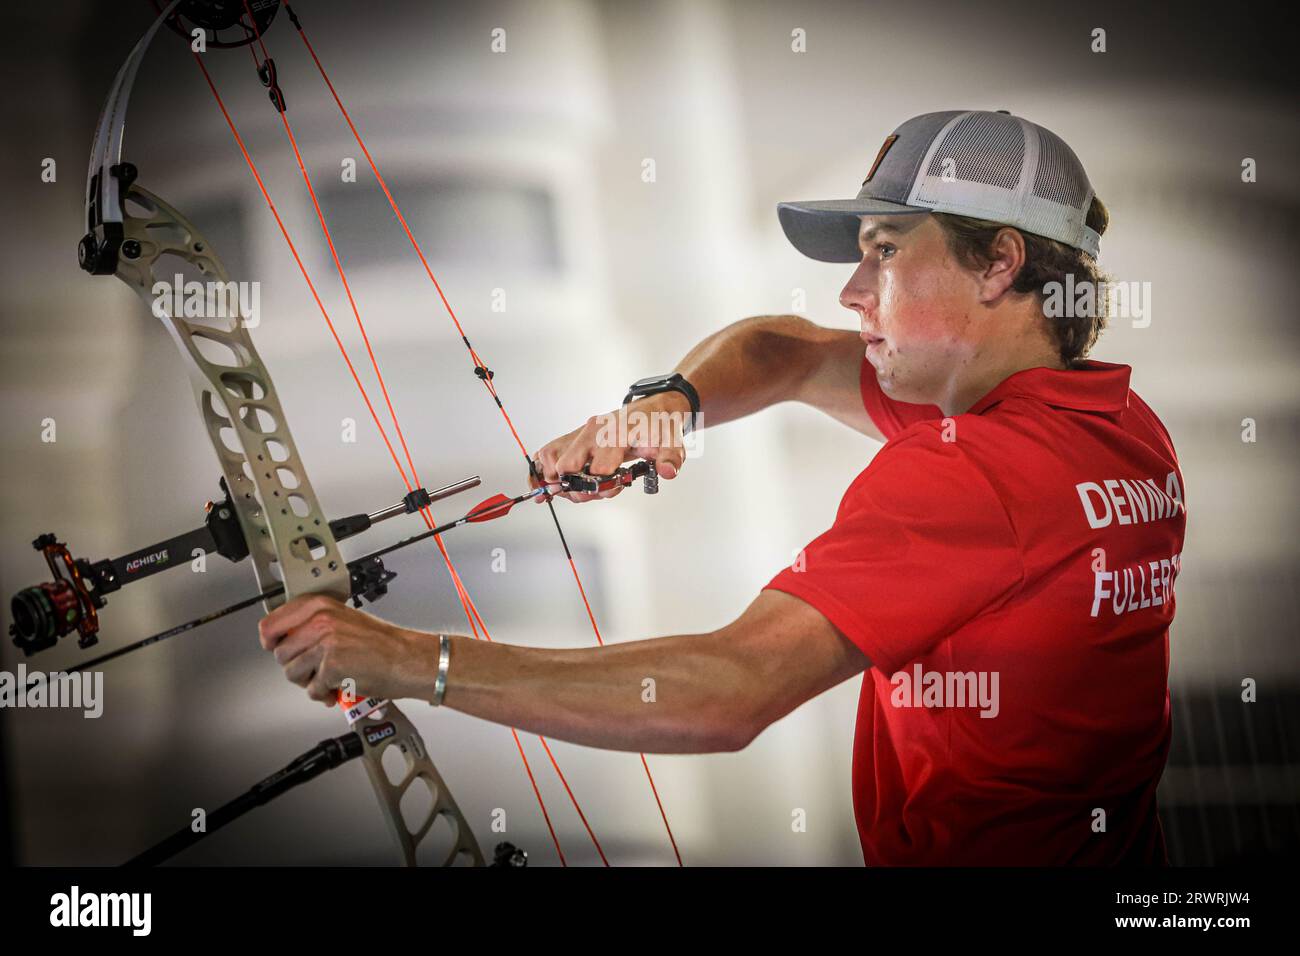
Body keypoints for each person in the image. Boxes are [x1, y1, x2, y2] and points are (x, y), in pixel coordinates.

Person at [260, 110, 1184, 865]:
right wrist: (667, 405)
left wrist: (414, 661)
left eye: (888, 250)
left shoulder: (976, 473)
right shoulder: (1117, 432)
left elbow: (729, 691)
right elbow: (784, 351)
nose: (853, 291)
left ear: (999, 263)